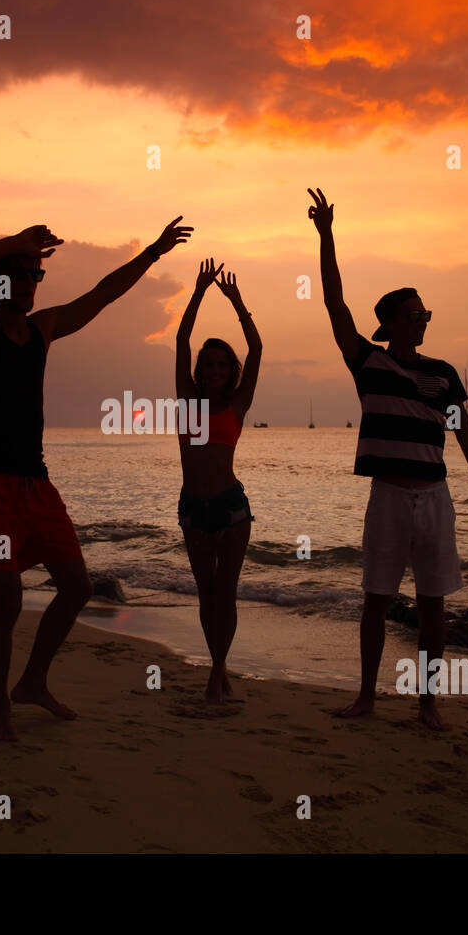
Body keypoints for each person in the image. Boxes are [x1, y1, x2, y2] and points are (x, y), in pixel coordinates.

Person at [0, 216, 194, 740]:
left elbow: (102, 294)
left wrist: (151, 251)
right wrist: (13, 243)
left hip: (34, 483)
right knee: (8, 601)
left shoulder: (42, 330)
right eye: (16, 275)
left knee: (77, 586)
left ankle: (32, 682)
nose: (27, 284)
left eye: (34, 276)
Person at [306, 187, 468, 730]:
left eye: (426, 313)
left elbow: (463, 438)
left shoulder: (443, 374)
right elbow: (333, 304)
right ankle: (367, 696)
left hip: (433, 499)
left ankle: (428, 704)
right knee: (376, 599)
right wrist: (326, 236)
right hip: (388, 497)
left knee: (435, 603)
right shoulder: (367, 362)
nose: (423, 321)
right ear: (390, 322)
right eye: (414, 314)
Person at [174, 260, 262, 702]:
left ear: (230, 371)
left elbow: (258, 348)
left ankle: (216, 672)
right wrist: (198, 292)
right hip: (193, 507)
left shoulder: (238, 403)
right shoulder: (186, 399)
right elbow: (181, 339)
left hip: (230, 506)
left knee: (225, 591)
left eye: (220, 365)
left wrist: (236, 302)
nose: (212, 371)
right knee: (205, 592)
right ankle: (219, 668)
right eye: (206, 365)